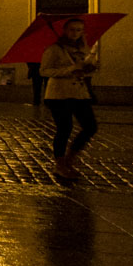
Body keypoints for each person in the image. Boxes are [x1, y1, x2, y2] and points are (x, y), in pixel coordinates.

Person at [41, 18, 98, 180]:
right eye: (72, 30)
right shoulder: (54, 49)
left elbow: (86, 69)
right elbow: (44, 71)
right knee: (65, 128)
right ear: (65, 31)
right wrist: (71, 69)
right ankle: (60, 164)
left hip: (80, 93)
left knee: (90, 126)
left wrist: (89, 68)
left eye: (79, 30)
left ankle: (70, 158)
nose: (75, 33)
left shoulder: (83, 48)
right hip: (58, 94)